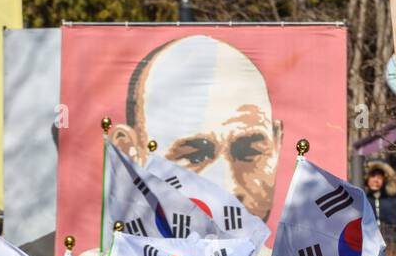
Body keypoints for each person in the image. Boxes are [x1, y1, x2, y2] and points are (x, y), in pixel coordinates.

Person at [110, 35, 281, 221]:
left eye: (249, 152)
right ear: (127, 155)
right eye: (194, 156)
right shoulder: (110, 252)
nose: (229, 189)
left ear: (276, 145)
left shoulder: (298, 251)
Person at [363, 161, 396, 243]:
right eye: (373, 176)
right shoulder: (363, 200)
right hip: (368, 244)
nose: (376, 180)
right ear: (367, 178)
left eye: (380, 177)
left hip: (391, 244)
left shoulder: (394, 201)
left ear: (385, 180)